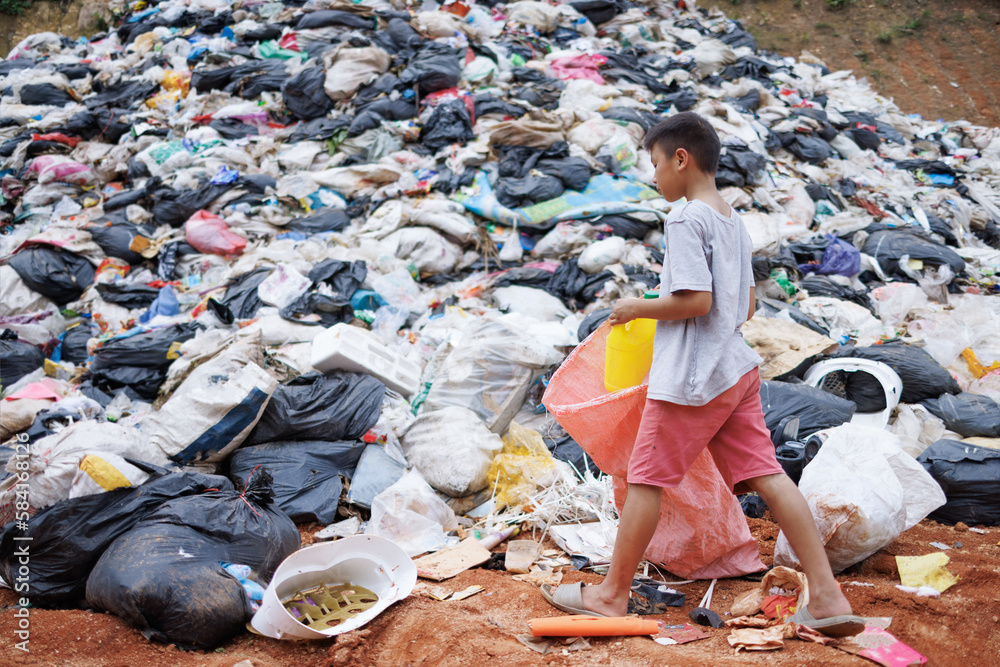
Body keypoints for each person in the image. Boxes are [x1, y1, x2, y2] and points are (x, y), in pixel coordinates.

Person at [541, 111, 865, 637]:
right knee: (770, 476)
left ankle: (609, 595)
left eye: (655, 163)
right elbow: (747, 303)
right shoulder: (731, 220)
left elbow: (695, 300)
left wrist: (635, 308)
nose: (654, 176)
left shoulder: (687, 218)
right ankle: (826, 597)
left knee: (645, 481)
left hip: (691, 380)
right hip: (734, 370)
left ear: (681, 159)